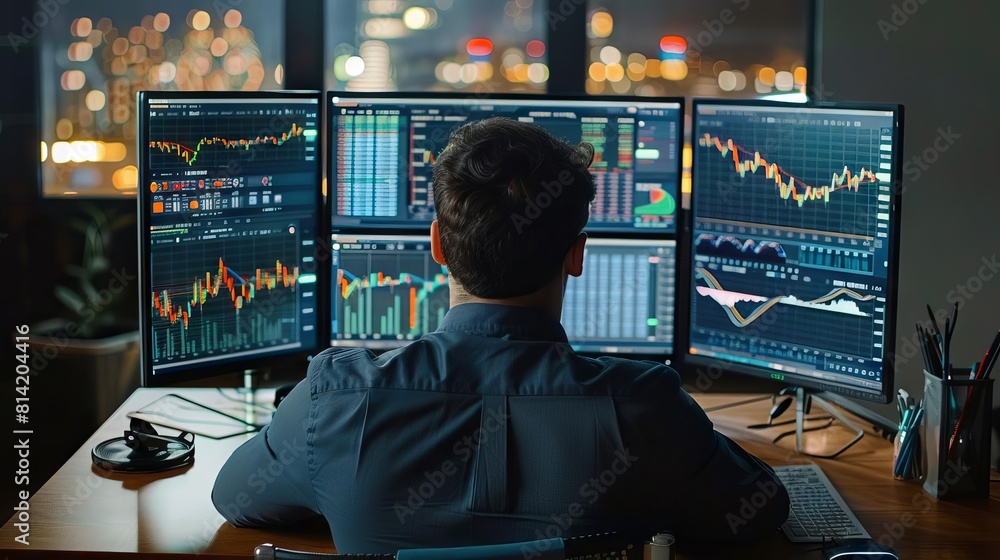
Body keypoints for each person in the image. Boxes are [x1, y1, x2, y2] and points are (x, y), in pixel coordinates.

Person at [211, 117, 789, 553]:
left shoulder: (335, 399)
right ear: (577, 256)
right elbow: (762, 510)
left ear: (437, 246)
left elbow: (233, 498)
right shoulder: (645, 408)